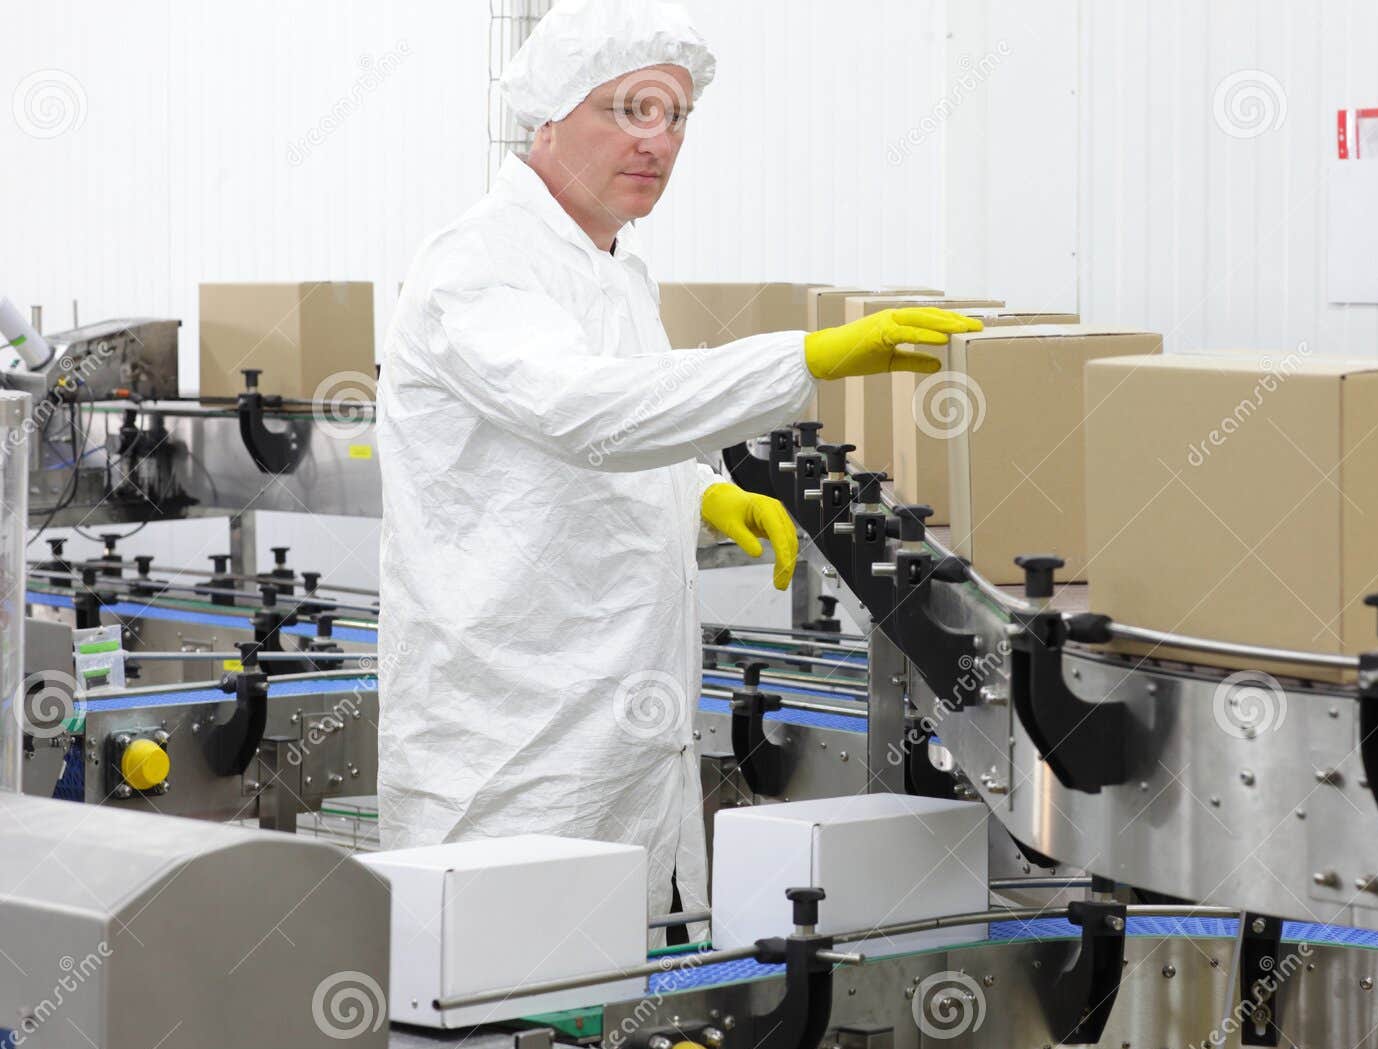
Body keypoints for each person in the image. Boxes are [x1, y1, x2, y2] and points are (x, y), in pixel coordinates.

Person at [376, 0, 980, 940]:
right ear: (548, 117)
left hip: (626, 725)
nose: (658, 140)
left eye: (677, 117)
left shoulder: (617, 271)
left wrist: (707, 493)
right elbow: (586, 413)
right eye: (628, 109)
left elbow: (625, 431)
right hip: (507, 739)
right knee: (496, 1026)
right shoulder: (476, 266)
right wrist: (807, 360)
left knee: (616, 1006)